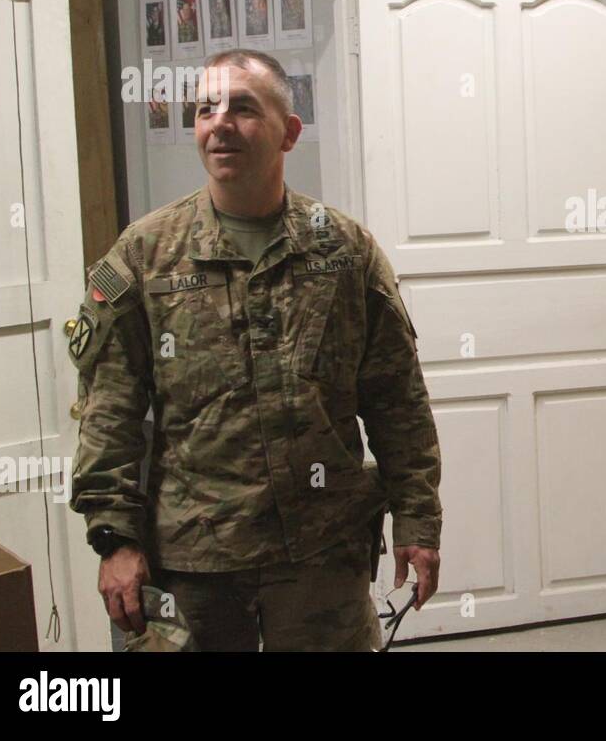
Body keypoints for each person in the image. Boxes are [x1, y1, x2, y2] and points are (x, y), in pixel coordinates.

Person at [67, 48, 442, 651]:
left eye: (243, 108)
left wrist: (418, 520)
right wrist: (115, 539)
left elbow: (397, 400)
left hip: (322, 553)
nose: (219, 123)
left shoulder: (344, 251)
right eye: (205, 109)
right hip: (195, 557)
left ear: (289, 131)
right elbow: (109, 409)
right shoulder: (148, 254)